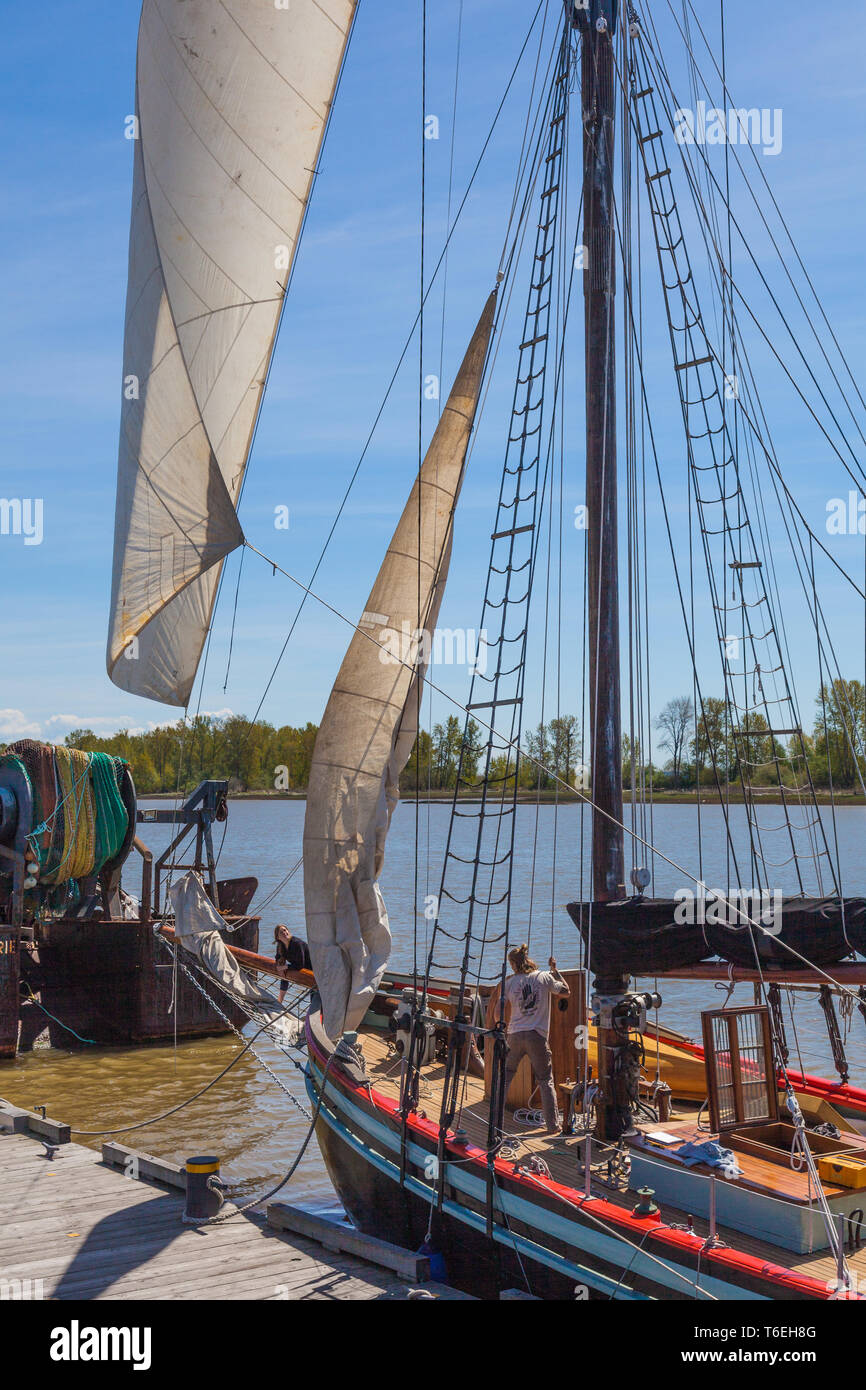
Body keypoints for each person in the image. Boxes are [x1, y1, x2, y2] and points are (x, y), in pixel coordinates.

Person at [501, 943, 569, 1135]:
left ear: (513, 965)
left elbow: (499, 1011)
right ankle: (552, 1126)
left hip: (514, 1035)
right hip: (536, 1036)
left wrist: (503, 1028)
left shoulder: (510, 983)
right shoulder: (543, 977)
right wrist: (555, 971)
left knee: (505, 1077)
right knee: (545, 1080)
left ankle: (495, 1118)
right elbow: (566, 991)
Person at [274, 924, 313, 1006]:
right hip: (301, 968)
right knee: (284, 974)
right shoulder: (281, 946)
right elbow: (277, 958)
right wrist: (279, 967)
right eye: (281, 932)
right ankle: (279, 1001)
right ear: (278, 937)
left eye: (285, 930)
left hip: (313, 969)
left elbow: (300, 965)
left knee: (314, 995)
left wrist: (284, 967)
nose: (284, 932)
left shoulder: (296, 943)